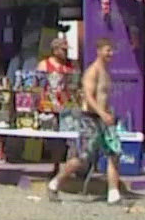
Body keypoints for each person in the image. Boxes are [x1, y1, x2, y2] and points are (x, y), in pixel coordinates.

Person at [46, 36, 130, 208]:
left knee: (114, 153)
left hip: (105, 118)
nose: (110, 53)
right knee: (82, 158)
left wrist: (108, 114)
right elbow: (89, 97)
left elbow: (103, 97)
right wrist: (101, 113)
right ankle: (55, 183)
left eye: (112, 50)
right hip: (90, 118)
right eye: (108, 50)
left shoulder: (106, 72)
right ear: (99, 51)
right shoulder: (92, 72)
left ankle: (113, 194)